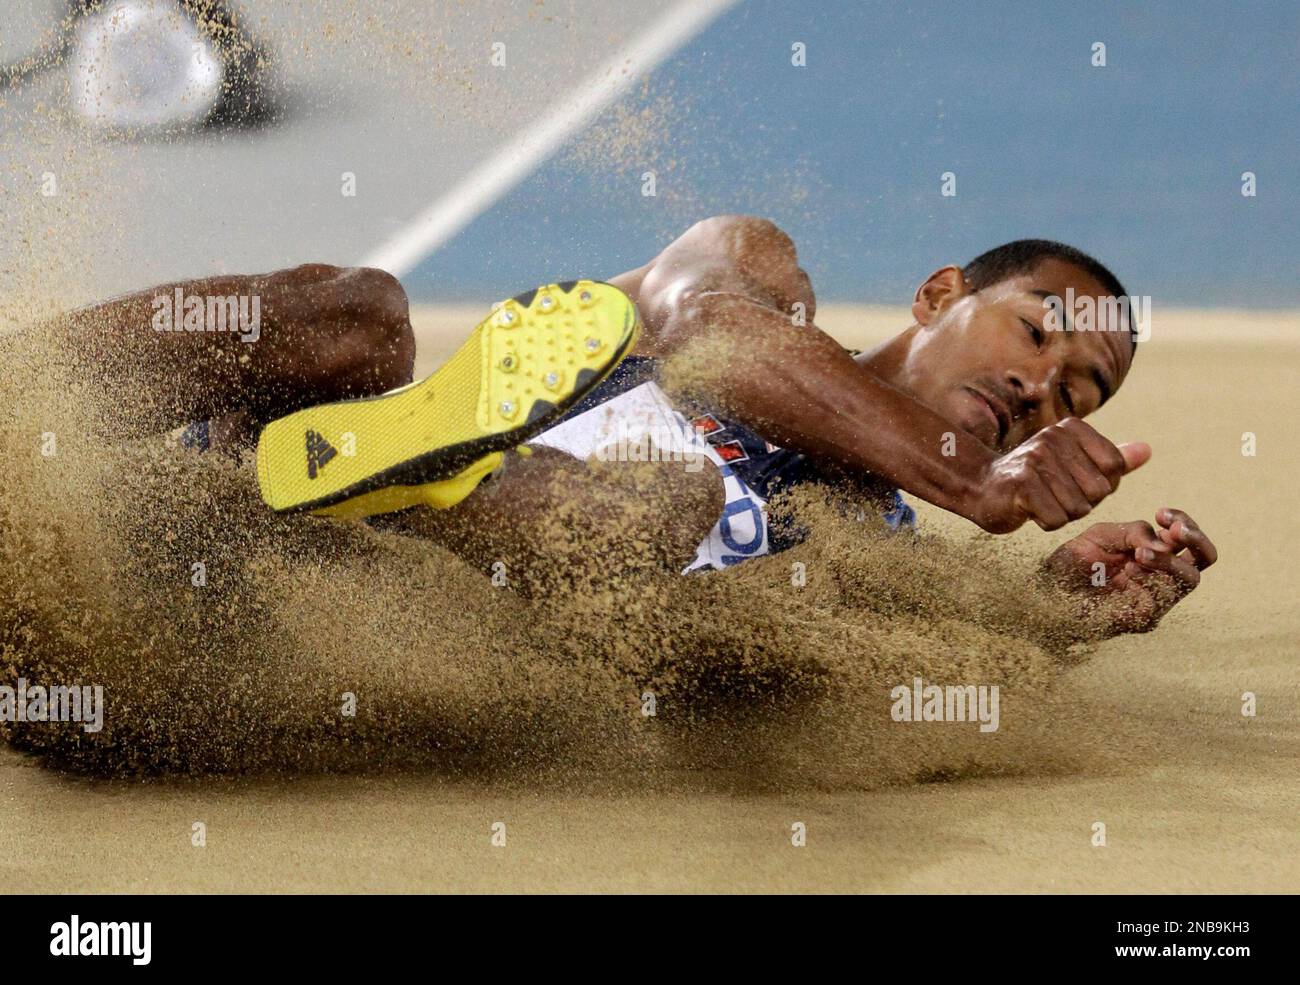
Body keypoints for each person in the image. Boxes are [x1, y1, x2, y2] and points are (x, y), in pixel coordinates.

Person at [55, 215, 1215, 633]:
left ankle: (410, 495)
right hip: (230, 468)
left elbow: (885, 665)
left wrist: (1051, 614)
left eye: (1079, 395)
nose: (1043, 390)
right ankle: (26, 404)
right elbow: (714, 324)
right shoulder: (757, 277)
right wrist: (980, 484)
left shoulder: (877, 546)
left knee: (660, 520)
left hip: (342, 613)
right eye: (1035, 338)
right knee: (359, 318)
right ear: (938, 294)